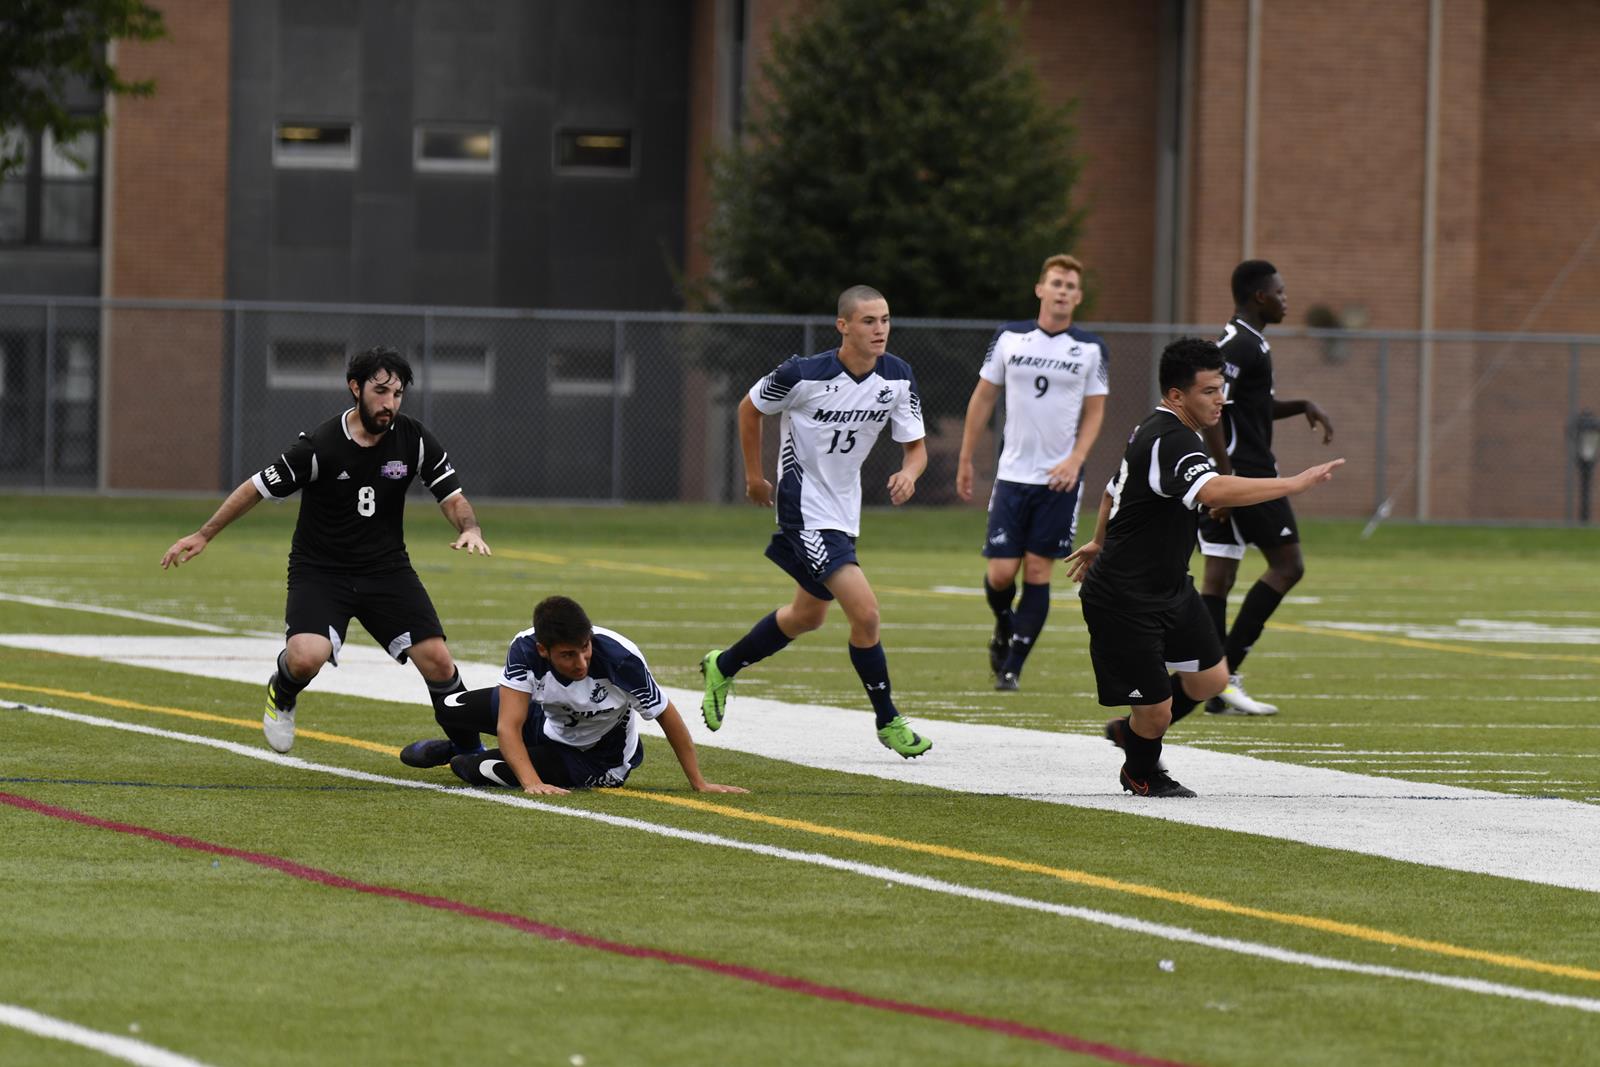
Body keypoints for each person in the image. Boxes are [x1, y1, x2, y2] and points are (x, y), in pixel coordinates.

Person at [160, 346, 490, 754]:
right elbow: (255, 488)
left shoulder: (414, 439)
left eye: (398, 394)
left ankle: (470, 751)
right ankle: (282, 692)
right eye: (381, 391)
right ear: (355, 388)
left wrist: (470, 527)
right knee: (305, 657)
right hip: (321, 571)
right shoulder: (320, 446)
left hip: (386, 571)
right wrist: (204, 534)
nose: (389, 403)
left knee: (439, 660)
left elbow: (452, 497)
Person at [1065, 337, 1341, 797]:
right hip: (1124, 597)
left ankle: (1133, 733)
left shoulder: (1162, 430)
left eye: (1221, 388)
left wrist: (1099, 539)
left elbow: (1114, 487)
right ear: (1177, 395)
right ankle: (1141, 771)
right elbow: (1212, 492)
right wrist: (1291, 483)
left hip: (1170, 587)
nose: (1221, 399)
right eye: (1210, 391)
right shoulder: (1170, 438)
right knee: (1157, 712)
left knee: (1211, 679)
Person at [697, 285, 933, 758]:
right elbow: (749, 408)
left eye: (885, 320)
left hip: (844, 511)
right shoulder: (802, 374)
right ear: (843, 326)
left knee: (807, 615)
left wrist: (909, 473)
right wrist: (754, 476)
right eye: (869, 321)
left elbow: (916, 448)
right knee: (864, 612)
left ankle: (723, 664)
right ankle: (888, 720)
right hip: (803, 508)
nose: (880, 329)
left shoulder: (898, 378)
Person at [400, 595, 744, 795]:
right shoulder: (524, 649)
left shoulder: (620, 659)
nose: (581, 662)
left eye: (585, 648)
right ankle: (463, 745)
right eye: (568, 655)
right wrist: (532, 782)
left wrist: (698, 782)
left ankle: (466, 757)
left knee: (471, 770)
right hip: (546, 719)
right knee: (450, 707)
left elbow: (667, 714)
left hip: (594, 758)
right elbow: (509, 723)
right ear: (543, 650)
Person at [955, 254, 1108, 691]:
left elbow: (1096, 412)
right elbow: (983, 398)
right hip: (1013, 475)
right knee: (1002, 574)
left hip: (1059, 480)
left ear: (1078, 297)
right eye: (1056, 283)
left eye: (1070, 286)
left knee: (1038, 570)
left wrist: (1076, 459)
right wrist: (967, 458)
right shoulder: (1009, 337)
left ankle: (1012, 667)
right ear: (1041, 289)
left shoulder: (1091, 349)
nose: (1062, 291)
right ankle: (1004, 623)